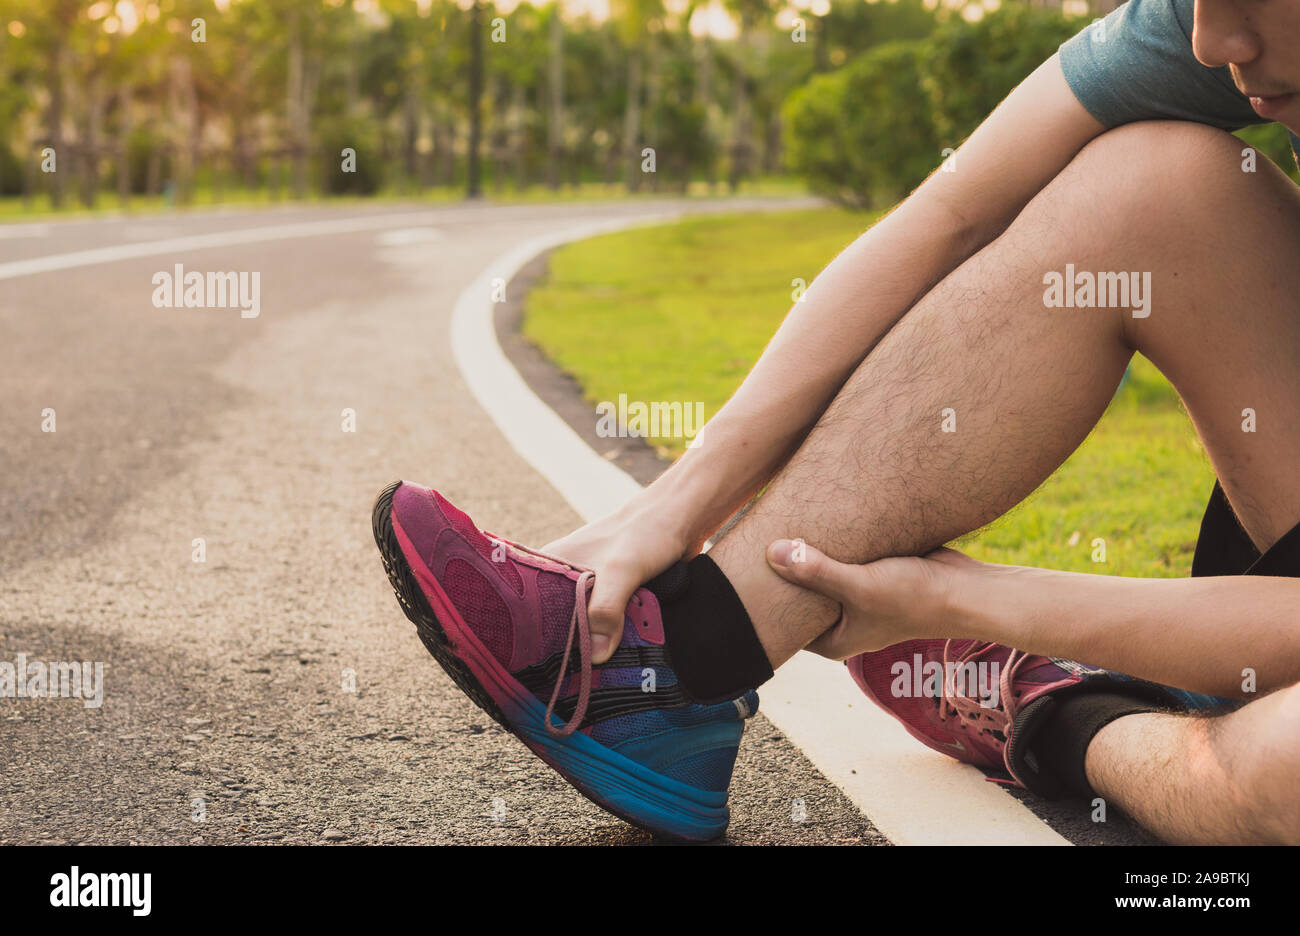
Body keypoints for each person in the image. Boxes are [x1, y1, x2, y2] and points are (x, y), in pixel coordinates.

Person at [373, 0, 1300, 843]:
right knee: (1156, 182)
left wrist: (959, 602)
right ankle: (682, 663)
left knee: (1275, 771)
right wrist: (675, 506)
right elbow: (951, 212)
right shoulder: (1210, 27)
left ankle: (1064, 707)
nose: (1211, 42)